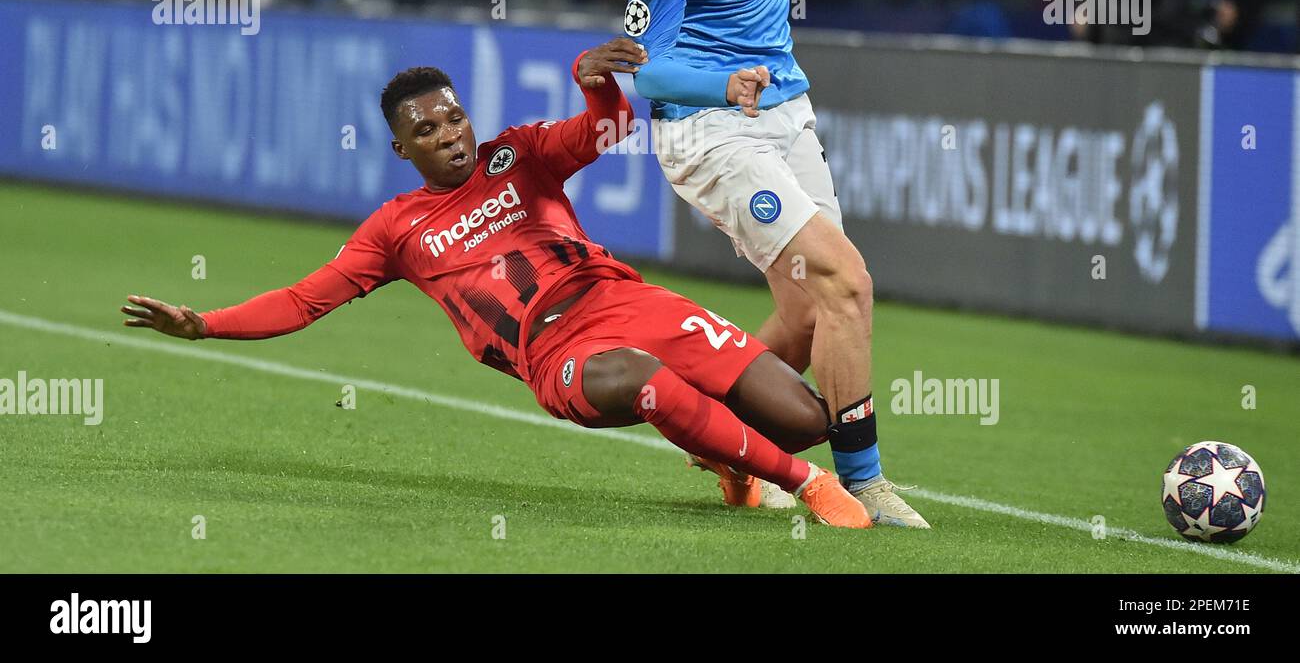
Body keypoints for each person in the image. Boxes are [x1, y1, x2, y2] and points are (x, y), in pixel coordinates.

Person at [120, 38, 872, 529]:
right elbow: (302, 300)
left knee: (806, 415)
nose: (450, 135)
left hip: (629, 301)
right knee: (648, 383)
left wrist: (595, 87)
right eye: (429, 130)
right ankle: (808, 485)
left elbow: (609, 132)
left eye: (454, 118)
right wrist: (205, 323)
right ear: (400, 146)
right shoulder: (395, 231)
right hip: (557, 354)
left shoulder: (518, 155)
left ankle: (727, 455)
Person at [624, 0, 929, 527]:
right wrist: (720, 87)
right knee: (847, 283)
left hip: (786, 109)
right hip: (709, 127)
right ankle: (864, 480)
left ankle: (707, 427)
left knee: (805, 314)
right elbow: (646, 72)